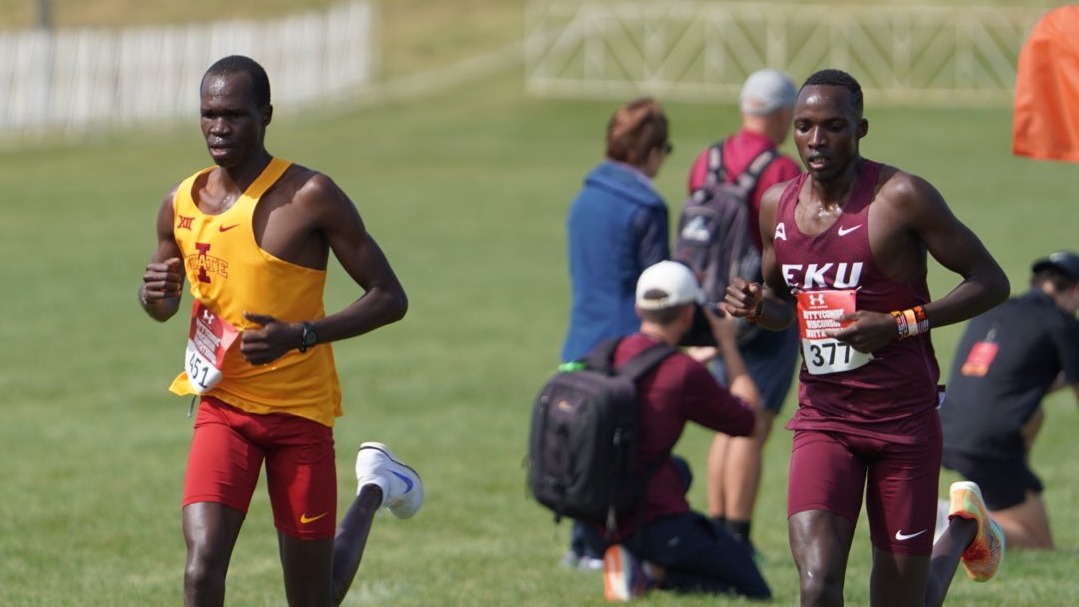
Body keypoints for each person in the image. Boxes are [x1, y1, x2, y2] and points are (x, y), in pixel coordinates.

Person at [138, 55, 422, 607]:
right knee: (200, 573)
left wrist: (303, 335)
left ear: (266, 114)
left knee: (315, 597)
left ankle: (376, 487)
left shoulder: (310, 195)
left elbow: (390, 297)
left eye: (235, 115)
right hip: (224, 409)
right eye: (208, 115)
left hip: (299, 415)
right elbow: (164, 306)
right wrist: (155, 297)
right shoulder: (180, 201)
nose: (218, 128)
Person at [724, 68, 1011, 606]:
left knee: (899, 601)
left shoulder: (900, 197)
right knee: (816, 585)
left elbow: (991, 281)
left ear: (861, 128)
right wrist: (760, 309)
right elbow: (785, 304)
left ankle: (965, 529)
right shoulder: (774, 206)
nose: (816, 140)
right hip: (824, 419)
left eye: (833, 126)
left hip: (903, 421)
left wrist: (902, 322)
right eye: (804, 126)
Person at [595, 260, 771, 601]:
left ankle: (626, 556)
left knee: (680, 471)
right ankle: (646, 571)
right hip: (652, 521)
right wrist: (727, 345)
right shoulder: (682, 373)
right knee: (753, 587)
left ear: (638, 309)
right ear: (691, 314)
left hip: (599, 513)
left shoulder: (612, 352)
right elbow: (752, 422)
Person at [684, 67, 802, 549]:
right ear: (780, 113)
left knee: (726, 421)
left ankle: (717, 525)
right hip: (760, 309)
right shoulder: (780, 170)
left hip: (711, 307)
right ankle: (740, 535)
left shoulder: (706, 158)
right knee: (753, 425)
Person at [561, 97, 674, 568]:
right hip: (626, 348)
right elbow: (658, 288)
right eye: (665, 148)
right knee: (625, 457)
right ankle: (610, 551)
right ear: (649, 150)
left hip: (579, 341)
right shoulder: (646, 205)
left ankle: (580, 546)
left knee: (584, 451)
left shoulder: (584, 195)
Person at [940, 251, 1079, 550]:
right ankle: (951, 523)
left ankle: (978, 510)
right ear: (1076, 290)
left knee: (1036, 413)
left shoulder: (995, 310)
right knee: (1039, 544)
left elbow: (1004, 381)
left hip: (946, 430)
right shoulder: (1061, 322)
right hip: (989, 445)